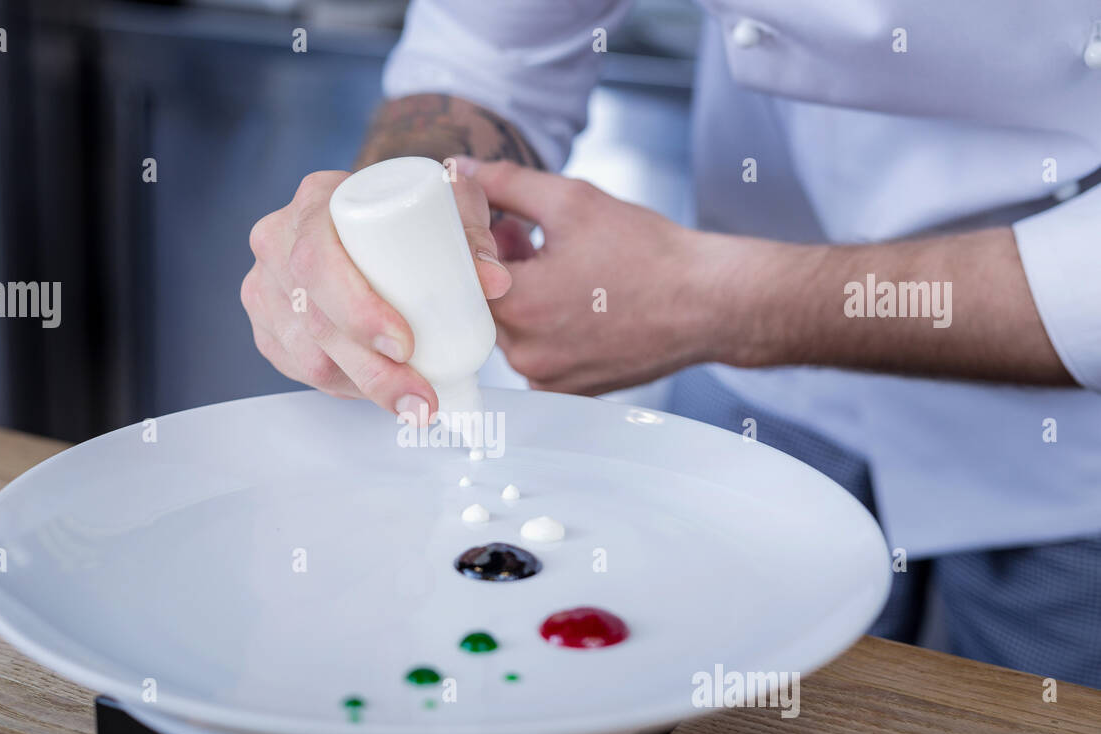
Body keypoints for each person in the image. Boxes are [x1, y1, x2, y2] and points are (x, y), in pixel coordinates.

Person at [241, 1, 1101, 686]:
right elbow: (484, 50)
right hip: (755, 399)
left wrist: (723, 304)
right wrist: (411, 196)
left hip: (1071, 455)